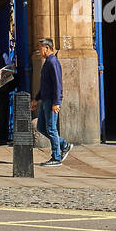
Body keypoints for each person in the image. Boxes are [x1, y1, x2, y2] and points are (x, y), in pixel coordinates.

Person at [32, 38, 72, 166]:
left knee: (51, 128)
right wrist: (36, 99)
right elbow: (45, 85)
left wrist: (57, 102)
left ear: (47, 48)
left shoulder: (53, 62)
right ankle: (64, 144)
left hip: (51, 101)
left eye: (40, 48)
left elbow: (58, 84)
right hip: (45, 100)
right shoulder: (47, 62)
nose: (39, 51)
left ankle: (56, 157)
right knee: (41, 127)